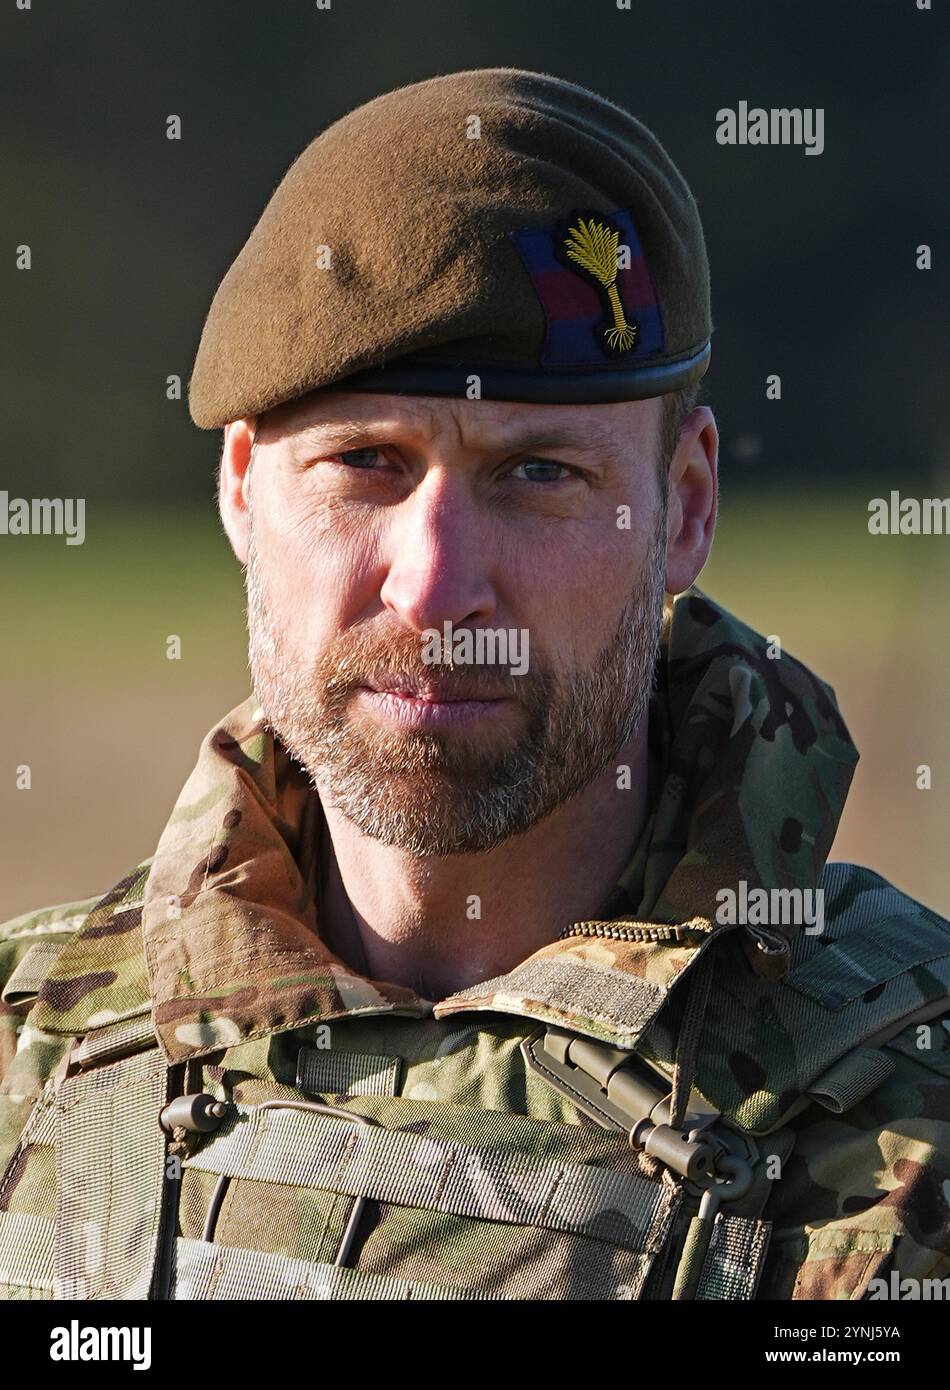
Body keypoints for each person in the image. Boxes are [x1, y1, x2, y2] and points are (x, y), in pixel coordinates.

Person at [1, 67, 948, 1303]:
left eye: (539, 472)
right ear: (241, 491)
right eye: (364, 463)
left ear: (685, 507)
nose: (437, 588)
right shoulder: (34, 1056)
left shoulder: (908, 1122)